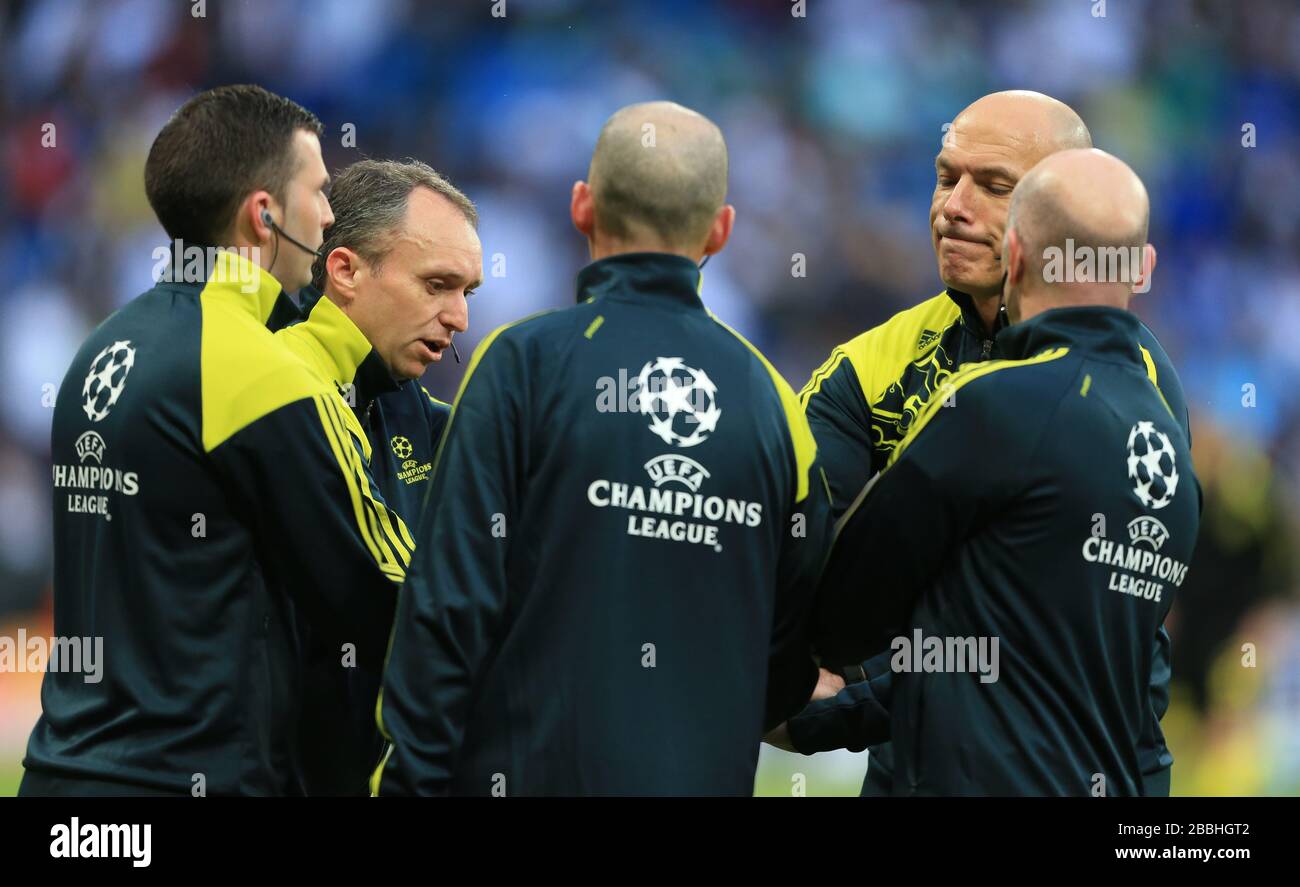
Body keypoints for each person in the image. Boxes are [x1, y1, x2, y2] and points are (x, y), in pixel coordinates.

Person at [373, 101, 832, 796]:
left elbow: (446, 607)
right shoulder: (771, 400)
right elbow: (793, 645)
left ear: (582, 207)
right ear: (721, 229)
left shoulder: (521, 362)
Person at [784, 91, 1187, 796]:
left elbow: (1059, 639)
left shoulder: (1140, 385)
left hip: (1101, 759)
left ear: (1055, 211)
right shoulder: (872, 367)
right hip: (921, 756)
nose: (953, 207)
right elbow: (801, 566)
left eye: (995, 186)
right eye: (946, 177)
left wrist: (834, 707)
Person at [20, 84, 411, 796]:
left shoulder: (102, 347)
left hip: (65, 786)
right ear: (265, 215)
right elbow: (381, 594)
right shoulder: (256, 368)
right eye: (319, 192)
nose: (329, 217)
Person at [272, 158, 481, 794]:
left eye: (467, 293)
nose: (459, 319)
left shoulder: (423, 417)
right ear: (345, 271)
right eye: (436, 285)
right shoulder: (266, 395)